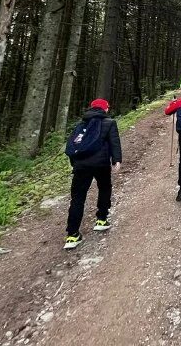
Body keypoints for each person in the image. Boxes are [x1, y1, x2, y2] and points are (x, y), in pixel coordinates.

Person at [63, 98, 122, 250]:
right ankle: (101, 220)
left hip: (81, 166)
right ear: (105, 109)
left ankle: (72, 235)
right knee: (104, 188)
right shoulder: (109, 122)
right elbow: (114, 142)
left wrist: (75, 164)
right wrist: (117, 160)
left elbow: (73, 145)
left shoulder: (81, 124)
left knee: (77, 198)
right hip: (101, 164)